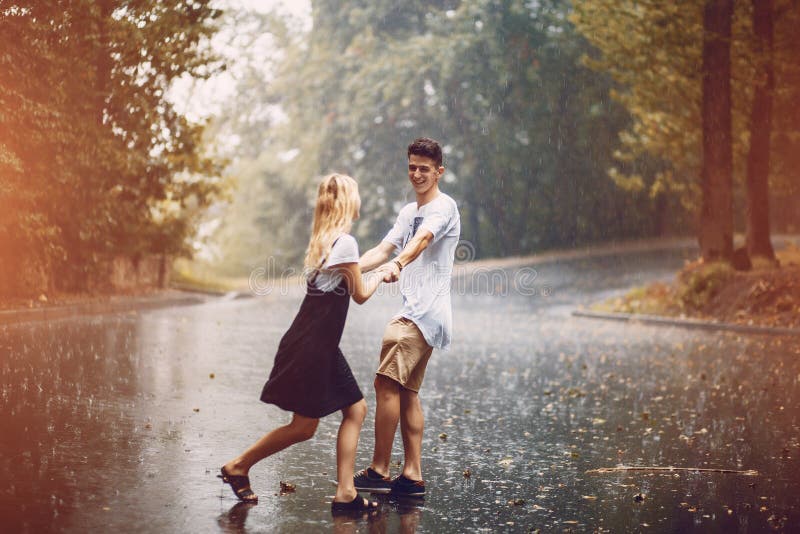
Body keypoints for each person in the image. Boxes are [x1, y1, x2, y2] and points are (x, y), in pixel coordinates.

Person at [220, 173, 387, 513]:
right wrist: (384, 274)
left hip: (315, 345)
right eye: (355, 196)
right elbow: (361, 294)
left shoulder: (328, 241)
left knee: (354, 409)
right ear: (347, 202)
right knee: (304, 427)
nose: (359, 202)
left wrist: (387, 254)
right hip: (314, 349)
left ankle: (346, 493)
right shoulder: (346, 243)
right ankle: (239, 465)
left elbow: (355, 267)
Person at [354, 137, 461, 496]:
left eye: (424, 169)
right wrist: (346, 266)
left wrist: (398, 263)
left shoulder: (442, 207)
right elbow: (384, 248)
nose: (417, 174)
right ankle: (412, 473)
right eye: (412, 167)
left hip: (422, 314)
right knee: (407, 393)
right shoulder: (407, 213)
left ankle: (379, 470)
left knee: (386, 385)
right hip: (420, 314)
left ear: (439, 172)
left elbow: (422, 241)